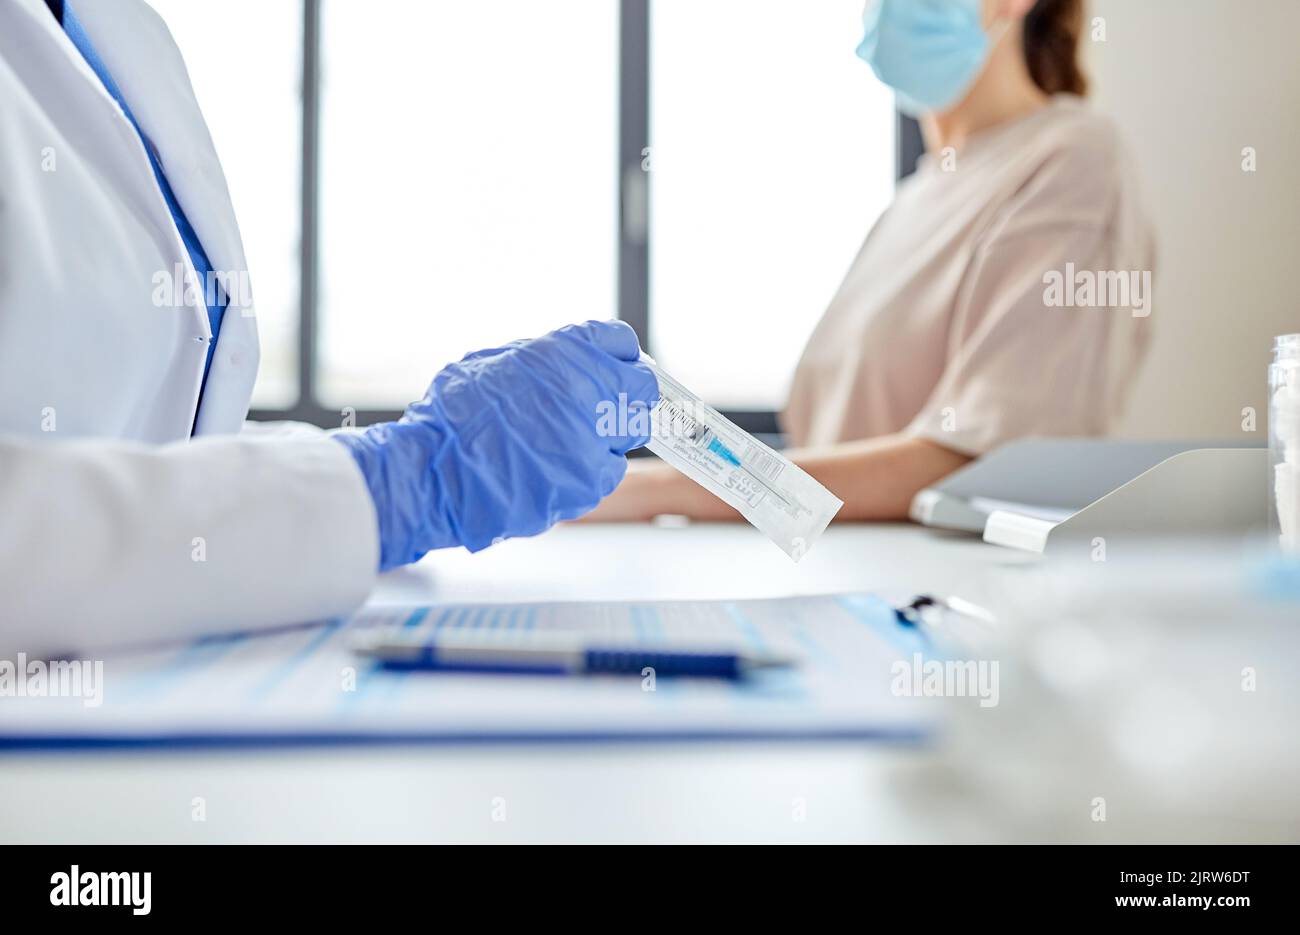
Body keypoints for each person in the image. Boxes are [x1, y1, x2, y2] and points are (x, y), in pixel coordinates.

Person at [0, 0, 655, 654]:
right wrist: (399, 483)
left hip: (145, 676)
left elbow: (144, 426)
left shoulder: (119, 30)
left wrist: (381, 473)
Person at [587, 0, 1154, 524]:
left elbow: (989, 469)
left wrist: (646, 490)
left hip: (939, 610)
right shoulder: (919, 196)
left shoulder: (1073, 160)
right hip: (844, 593)